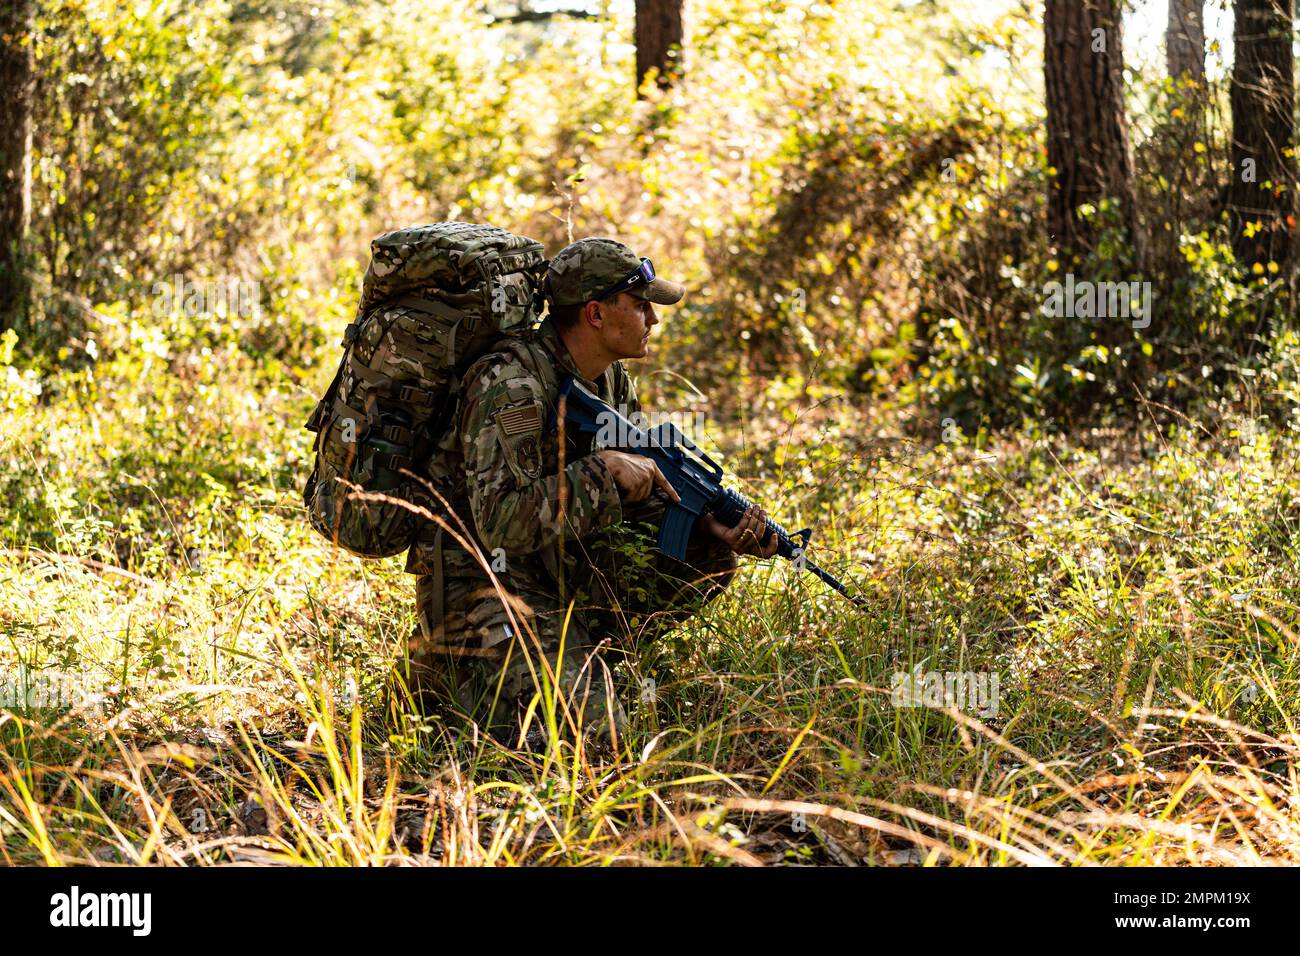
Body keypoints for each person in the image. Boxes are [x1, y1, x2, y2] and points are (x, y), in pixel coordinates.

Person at [402, 237, 779, 745]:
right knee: (592, 741)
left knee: (703, 553)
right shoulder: (511, 384)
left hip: (559, 559)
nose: (654, 319)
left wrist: (705, 519)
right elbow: (501, 521)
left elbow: (645, 482)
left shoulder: (609, 380)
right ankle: (445, 668)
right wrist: (602, 473)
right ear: (596, 314)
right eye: (642, 306)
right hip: (483, 576)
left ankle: (581, 648)